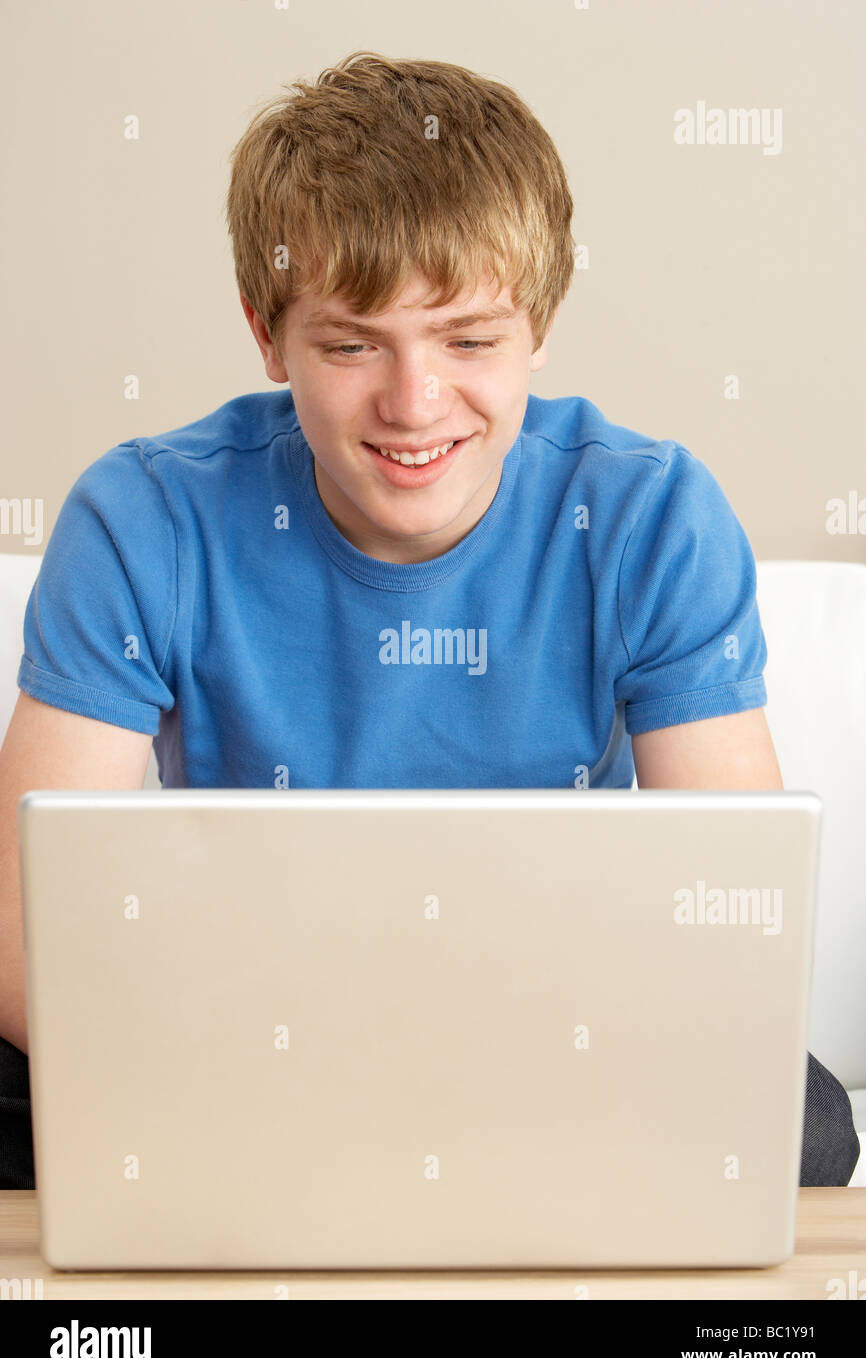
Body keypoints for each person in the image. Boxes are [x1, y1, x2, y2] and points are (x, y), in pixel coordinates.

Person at [0, 52, 859, 1188]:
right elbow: (26, 951)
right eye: (352, 343)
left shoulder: (652, 515)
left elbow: (735, 929)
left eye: (467, 340)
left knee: (799, 1127)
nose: (413, 406)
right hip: (236, 1035)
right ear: (268, 334)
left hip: (551, 1034)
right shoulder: (142, 515)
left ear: (539, 325)